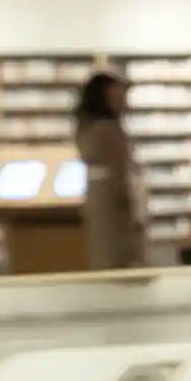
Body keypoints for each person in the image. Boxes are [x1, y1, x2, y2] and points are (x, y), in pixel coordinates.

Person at [75, 72, 144, 270]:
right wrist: (130, 204)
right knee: (118, 254)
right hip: (112, 197)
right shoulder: (108, 129)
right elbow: (119, 168)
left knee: (102, 250)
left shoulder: (86, 125)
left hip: (97, 196)